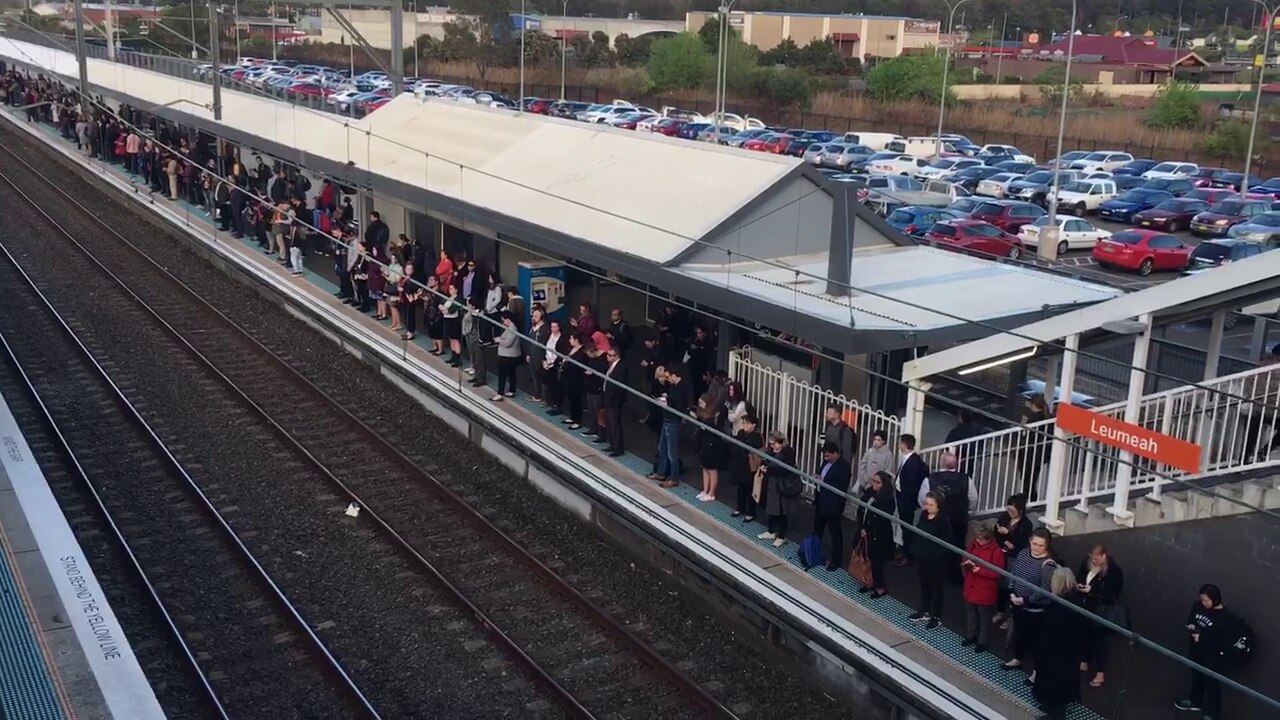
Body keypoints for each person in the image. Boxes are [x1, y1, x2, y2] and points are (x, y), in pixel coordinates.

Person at [1176, 584, 1245, 720]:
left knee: (1211, 682)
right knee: (1196, 675)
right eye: (1202, 600)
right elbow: (1192, 618)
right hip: (1196, 650)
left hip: (1212, 655)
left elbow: (1222, 640)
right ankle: (1195, 701)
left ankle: (1212, 713)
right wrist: (1191, 626)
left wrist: (1201, 638)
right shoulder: (1198, 606)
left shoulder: (1225, 618)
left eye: (1206, 600)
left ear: (1215, 599)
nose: (1203, 603)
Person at [1003, 529, 1059, 677]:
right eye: (1034, 544)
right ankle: (1018, 658)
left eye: (1041, 545)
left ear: (1047, 546)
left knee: (1036, 642)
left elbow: (1044, 589)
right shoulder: (1023, 553)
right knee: (1020, 634)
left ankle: (1036, 672)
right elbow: (1014, 573)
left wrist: (1026, 600)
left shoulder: (1048, 565)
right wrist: (1012, 592)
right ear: (1030, 541)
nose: (1036, 548)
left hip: (1035, 610)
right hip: (1017, 604)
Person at [1033, 567, 1085, 720]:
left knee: (1054, 682)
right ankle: (1054, 708)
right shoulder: (1076, 602)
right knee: (1060, 682)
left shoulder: (1059, 605)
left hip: (1056, 651)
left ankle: (1055, 714)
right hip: (1068, 651)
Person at [1076, 544, 1125, 688]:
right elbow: (1081, 575)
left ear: (1104, 556)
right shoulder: (1087, 563)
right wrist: (1080, 585)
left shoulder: (1114, 572)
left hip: (1100, 610)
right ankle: (1085, 659)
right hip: (1087, 606)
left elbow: (1113, 593)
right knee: (1085, 634)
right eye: (1092, 558)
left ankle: (1100, 672)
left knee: (1099, 642)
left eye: (1096, 559)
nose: (1093, 561)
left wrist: (1093, 591)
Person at [918, 452, 977, 568]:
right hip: (959, 521)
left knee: (936, 549)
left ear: (941, 463)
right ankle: (955, 572)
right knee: (957, 548)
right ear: (956, 464)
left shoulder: (930, 479)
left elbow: (923, 500)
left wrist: (929, 512)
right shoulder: (966, 479)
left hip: (936, 521)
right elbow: (973, 499)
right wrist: (967, 512)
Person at [910, 492, 953, 629]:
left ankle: (936, 616)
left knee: (936, 588)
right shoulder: (924, 515)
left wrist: (935, 555)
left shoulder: (943, 520)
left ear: (938, 506)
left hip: (935, 562)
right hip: (922, 557)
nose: (927, 507)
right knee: (924, 584)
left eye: (931, 505)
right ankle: (925, 609)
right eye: (926, 504)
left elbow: (947, 541)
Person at [961, 526, 1005, 654]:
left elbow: (998, 573)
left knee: (985, 618)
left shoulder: (996, 552)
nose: (978, 541)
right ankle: (971, 635)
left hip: (985, 590)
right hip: (971, 586)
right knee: (972, 615)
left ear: (988, 539)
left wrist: (980, 570)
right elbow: (965, 557)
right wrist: (967, 564)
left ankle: (983, 641)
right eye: (977, 538)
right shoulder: (973, 545)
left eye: (981, 539)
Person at [993, 493, 1034, 627]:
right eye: (1008, 509)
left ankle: (1010, 617)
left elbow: (1022, 543)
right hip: (1002, 555)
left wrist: (1008, 534)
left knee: (1012, 587)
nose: (1009, 512)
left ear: (1020, 510)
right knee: (1000, 585)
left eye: (1012, 510)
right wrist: (1004, 540)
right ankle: (1000, 611)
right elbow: (996, 533)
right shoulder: (1004, 518)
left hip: (1015, 558)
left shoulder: (1026, 525)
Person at [856, 471, 896, 597]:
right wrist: (862, 527)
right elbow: (861, 508)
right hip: (866, 531)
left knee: (877, 562)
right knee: (868, 558)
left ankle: (880, 586)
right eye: (874, 481)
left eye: (878, 482)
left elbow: (882, 520)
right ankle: (870, 581)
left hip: (880, 536)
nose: (874, 484)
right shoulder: (869, 493)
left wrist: (867, 529)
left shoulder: (888, 500)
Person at [813, 440, 852, 571]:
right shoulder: (826, 462)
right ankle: (814, 553)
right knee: (817, 530)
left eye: (828, 456)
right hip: (821, 501)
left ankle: (836, 560)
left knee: (835, 533)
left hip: (833, 505)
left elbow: (841, 486)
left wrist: (824, 481)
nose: (826, 458)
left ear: (836, 453)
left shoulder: (843, 467)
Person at [894, 434, 929, 566]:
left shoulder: (912, 463)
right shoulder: (909, 459)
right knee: (905, 527)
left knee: (907, 528)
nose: (899, 445)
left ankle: (908, 555)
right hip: (903, 498)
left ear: (904, 445)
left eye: (900, 442)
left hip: (906, 502)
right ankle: (906, 551)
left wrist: (906, 501)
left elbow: (911, 486)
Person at [653, 364, 689, 489]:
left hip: (673, 421)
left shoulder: (682, 388)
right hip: (667, 419)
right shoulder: (673, 386)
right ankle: (661, 472)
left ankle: (674, 478)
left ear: (674, 375)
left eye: (668, 377)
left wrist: (667, 402)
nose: (667, 380)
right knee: (662, 447)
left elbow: (679, 407)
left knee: (672, 452)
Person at [759, 431, 798, 548]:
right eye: (770, 444)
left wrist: (769, 470)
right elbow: (765, 459)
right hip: (772, 484)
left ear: (780, 442)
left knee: (782, 511)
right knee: (771, 508)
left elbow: (786, 469)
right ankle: (771, 531)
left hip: (782, 485)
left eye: (774, 443)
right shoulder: (771, 451)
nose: (772, 446)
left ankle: (781, 536)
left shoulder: (788, 452)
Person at [693, 393, 729, 502]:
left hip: (712, 443)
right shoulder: (702, 413)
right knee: (704, 467)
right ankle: (705, 490)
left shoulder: (713, 415)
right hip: (704, 442)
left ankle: (711, 493)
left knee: (712, 469)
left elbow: (713, 427)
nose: (700, 405)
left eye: (702, 403)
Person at [1017, 394, 1051, 501]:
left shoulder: (1033, 419)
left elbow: (1026, 435)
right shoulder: (1046, 418)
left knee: (1027, 478)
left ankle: (1029, 498)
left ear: (1033, 404)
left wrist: (1023, 426)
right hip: (1038, 454)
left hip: (1030, 453)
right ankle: (1031, 498)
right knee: (1032, 478)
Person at [730, 414, 763, 519]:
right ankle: (740, 508)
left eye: (747, 423)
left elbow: (749, 445)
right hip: (741, 464)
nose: (744, 425)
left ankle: (751, 512)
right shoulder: (741, 433)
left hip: (750, 466)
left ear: (754, 425)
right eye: (743, 423)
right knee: (741, 488)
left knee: (750, 489)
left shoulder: (756, 436)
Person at [601, 347, 627, 456]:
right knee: (609, 422)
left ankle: (618, 448)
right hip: (608, 398)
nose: (607, 357)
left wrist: (615, 401)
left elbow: (620, 387)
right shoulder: (611, 365)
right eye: (607, 355)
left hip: (614, 401)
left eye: (610, 355)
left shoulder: (621, 367)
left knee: (614, 424)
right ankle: (612, 444)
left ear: (617, 356)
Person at [559, 335, 588, 430]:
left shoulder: (582, 352)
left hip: (576, 380)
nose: (569, 340)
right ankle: (572, 417)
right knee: (571, 399)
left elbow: (580, 366)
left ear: (576, 340)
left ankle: (577, 420)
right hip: (568, 378)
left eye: (571, 339)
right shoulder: (571, 349)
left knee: (577, 400)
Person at [492, 311, 521, 401]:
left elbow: (507, 343)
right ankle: (512, 390)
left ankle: (500, 393)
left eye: (503, 320)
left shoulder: (512, 329)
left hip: (507, 357)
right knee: (511, 373)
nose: (503, 322)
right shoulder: (511, 328)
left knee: (502, 375)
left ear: (508, 320)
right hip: (510, 356)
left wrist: (498, 340)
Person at [856, 430, 892, 496]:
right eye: (875, 439)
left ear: (884, 441)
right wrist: (864, 480)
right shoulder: (870, 451)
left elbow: (887, 471)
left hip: (878, 487)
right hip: (865, 484)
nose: (876, 442)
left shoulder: (888, 454)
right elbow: (862, 465)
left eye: (879, 440)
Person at [946, 409, 982, 476]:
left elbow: (947, 446)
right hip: (969, 461)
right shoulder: (974, 432)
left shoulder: (956, 431)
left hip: (957, 460)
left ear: (961, 418)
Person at [463, 301, 487, 388]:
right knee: (473, 357)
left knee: (479, 359)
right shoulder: (470, 313)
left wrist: (482, 339)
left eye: (469, 304)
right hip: (470, 337)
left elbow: (483, 327)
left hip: (478, 338)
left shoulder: (482, 314)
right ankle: (476, 375)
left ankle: (481, 378)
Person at [440, 284, 464, 366]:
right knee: (451, 338)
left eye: (452, 288)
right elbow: (440, 305)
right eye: (449, 288)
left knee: (455, 339)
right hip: (447, 319)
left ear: (456, 290)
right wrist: (444, 309)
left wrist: (445, 309)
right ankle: (453, 356)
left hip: (454, 321)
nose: (450, 290)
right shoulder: (448, 297)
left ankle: (458, 358)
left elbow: (451, 310)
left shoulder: (458, 299)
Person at [398, 265, 421, 341]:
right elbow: (400, 285)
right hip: (403, 299)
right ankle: (408, 332)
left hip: (410, 300)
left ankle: (410, 333)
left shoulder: (414, 279)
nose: (409, 270)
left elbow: (414, 289)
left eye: (410, 269)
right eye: (407, 268)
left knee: (410, 316)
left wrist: (404, 290)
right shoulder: (404, 278)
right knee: (406, 316)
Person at [424, 276, 445, 354]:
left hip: (437, 314)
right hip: (429, 313)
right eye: (429, 280)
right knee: (431, 330)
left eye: (432, 280)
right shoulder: (429, 291)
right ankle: (435, 346)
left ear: (436, 282)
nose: (430, 281)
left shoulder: (440, 292)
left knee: (438, 332)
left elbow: (439, 302)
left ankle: (440, 349)